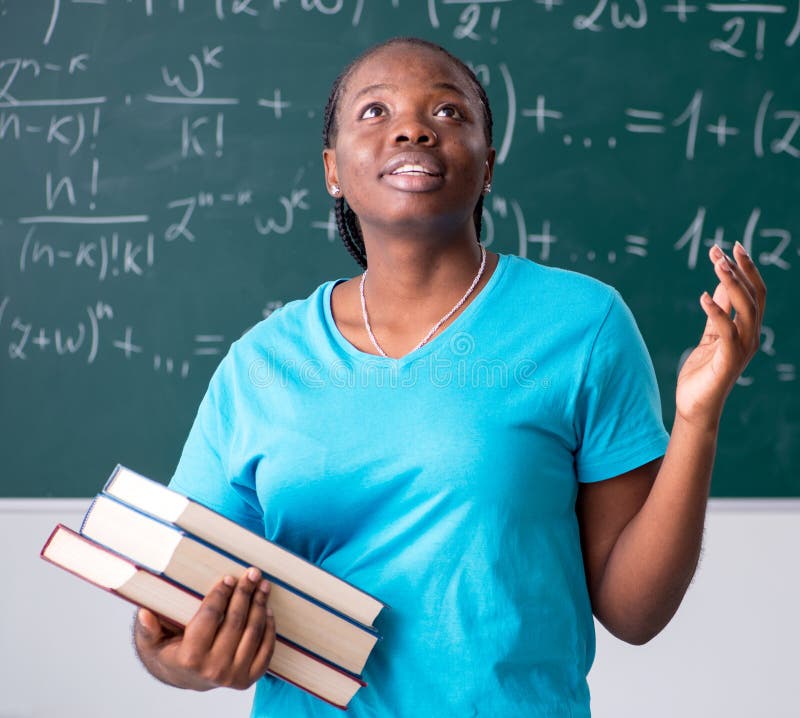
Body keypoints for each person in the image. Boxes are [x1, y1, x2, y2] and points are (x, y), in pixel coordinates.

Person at [133, 37, 766, 717]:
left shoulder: (581, 324)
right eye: (374, 112)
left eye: (449, 112)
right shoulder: (259, 365)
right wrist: (183, 661)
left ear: (487, 166)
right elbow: (169, 609)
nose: (412, 128)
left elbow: (634, 612)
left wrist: (699, 419)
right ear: (332, 171)